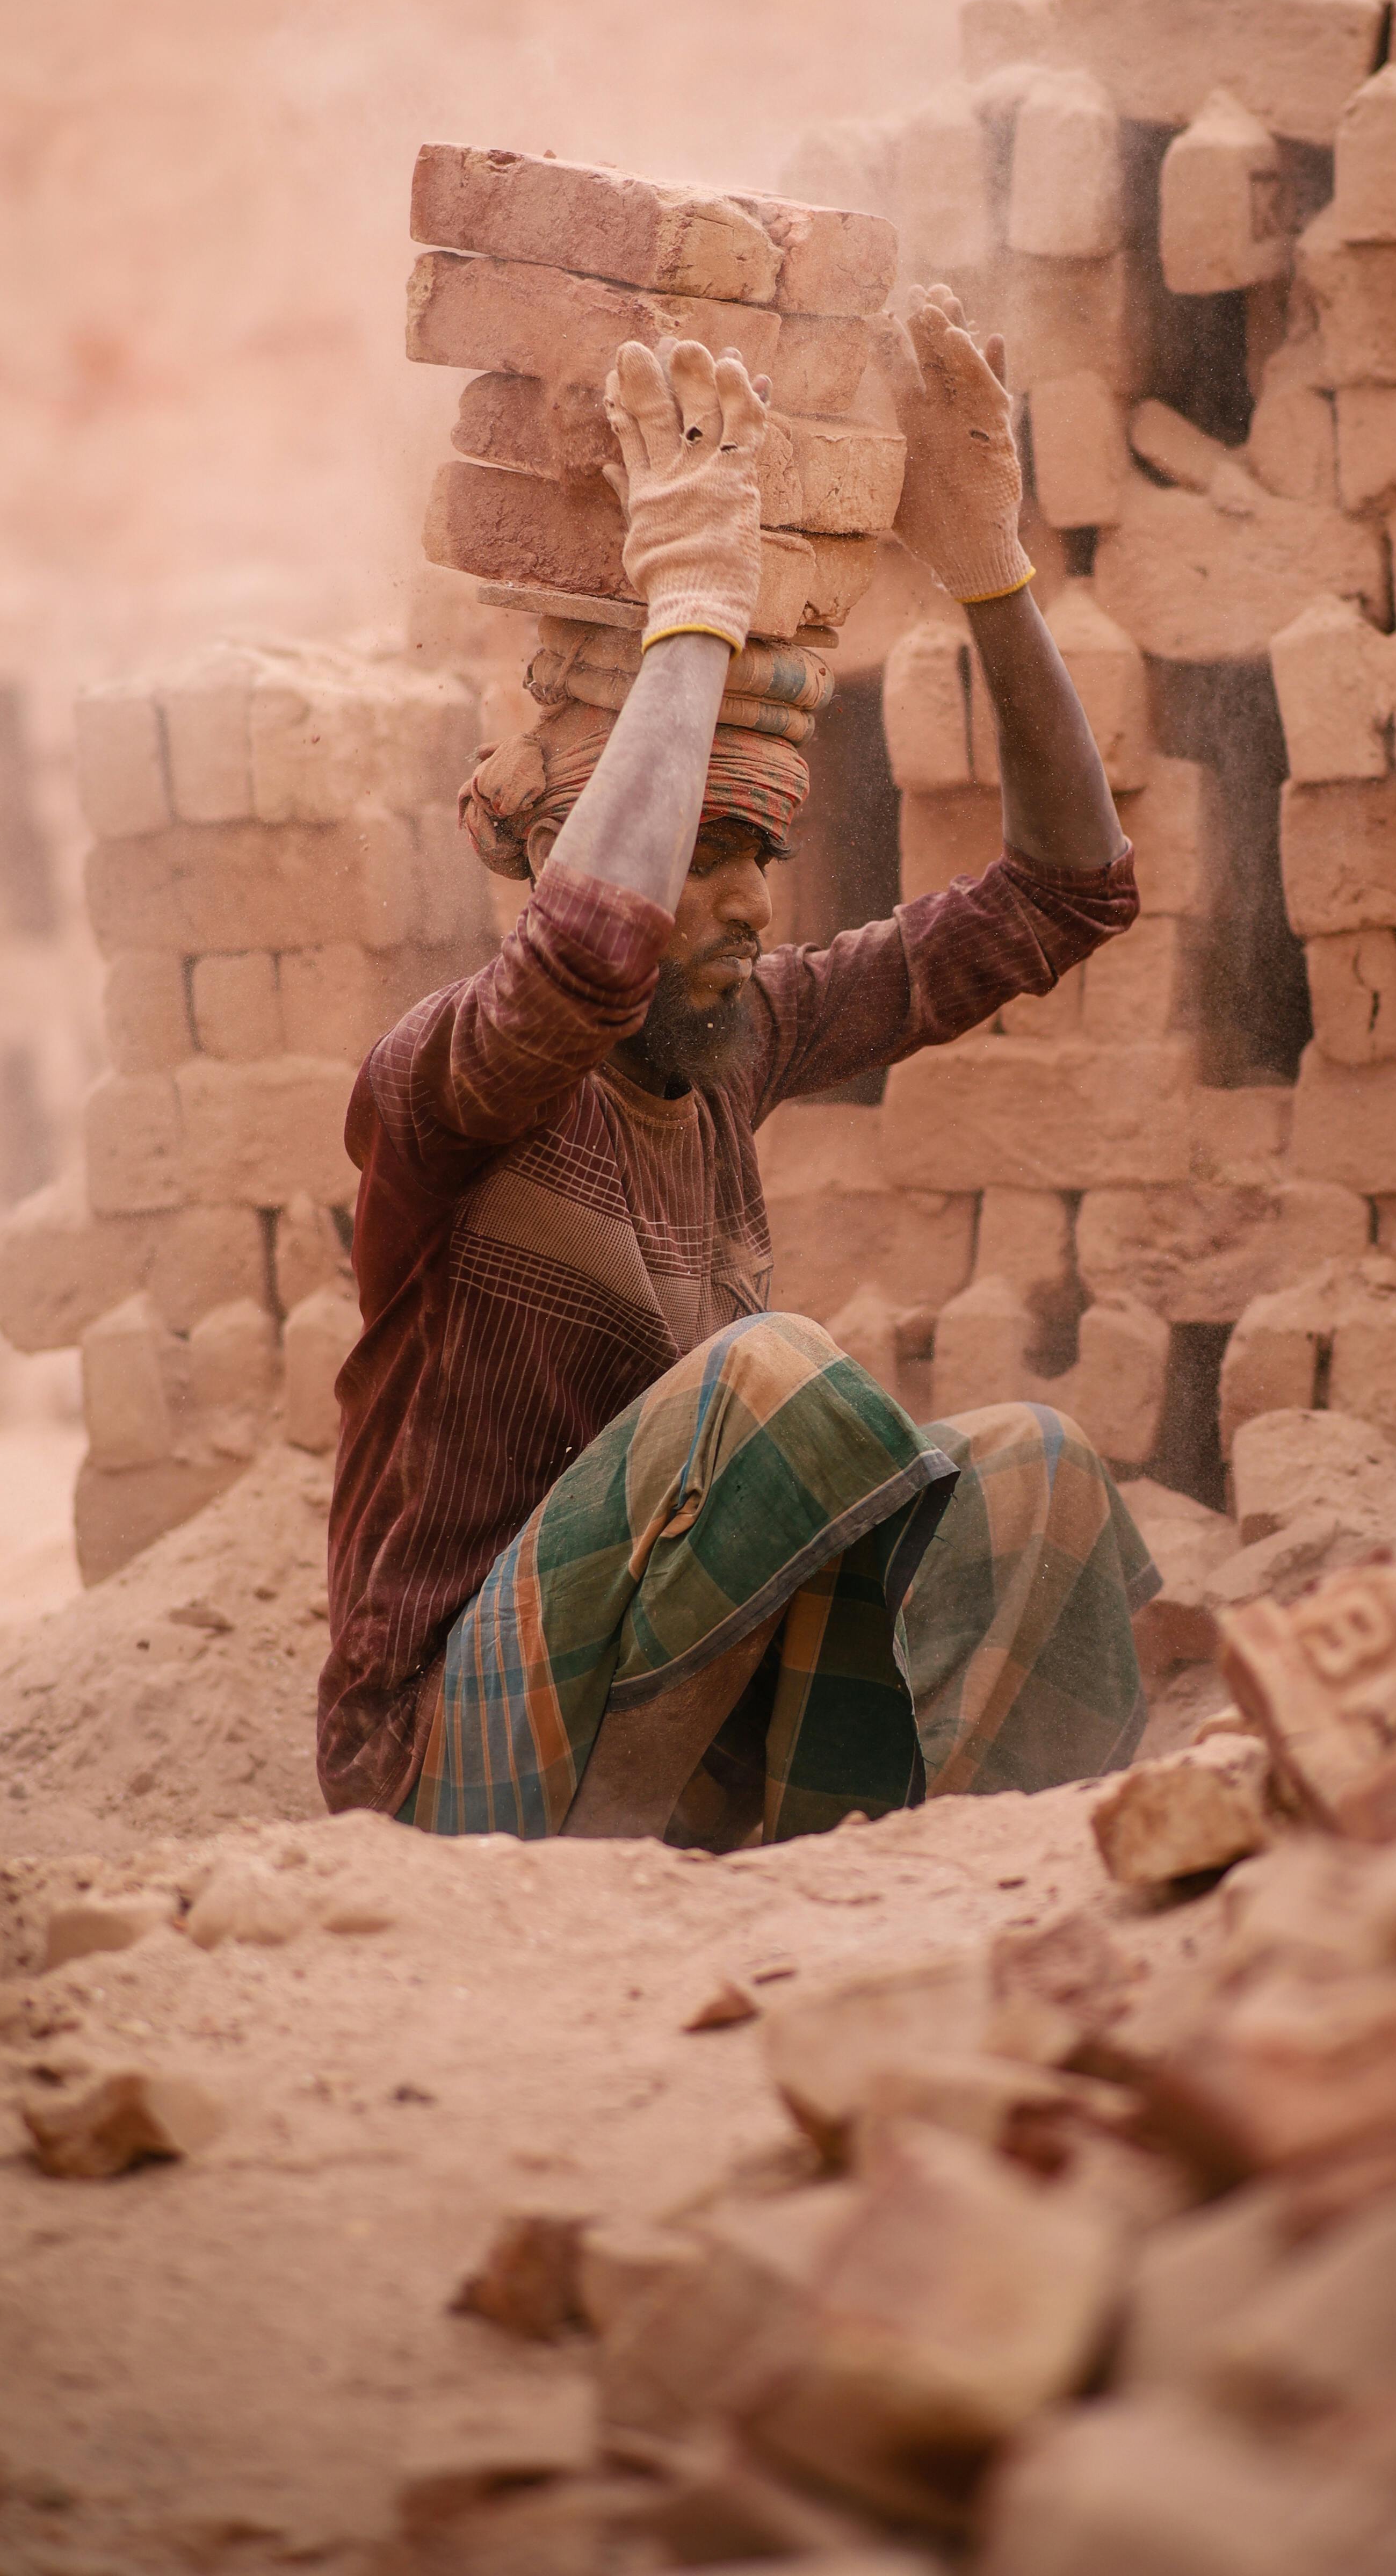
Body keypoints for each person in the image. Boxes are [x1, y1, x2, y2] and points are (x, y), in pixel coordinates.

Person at [317, 286, 1157, 1845]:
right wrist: (690, 604)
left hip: (684, 1744)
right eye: (703, 854)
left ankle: (976, 1873)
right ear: (576, 854)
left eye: (761, 850)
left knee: (1034, 1471)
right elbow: (583, 964)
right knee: (769, 1379)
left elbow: (1070, 893)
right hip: (444, 1754)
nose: (750, 901)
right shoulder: (445, 1082)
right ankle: (601, 1873)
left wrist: (989, 576)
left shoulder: (741, 1045)